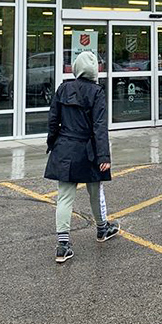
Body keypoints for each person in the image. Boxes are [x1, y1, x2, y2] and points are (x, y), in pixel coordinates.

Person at [44, 51, 120, 263]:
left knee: (64, 197)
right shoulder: (96, 92)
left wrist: (52, 144)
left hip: (65, 148)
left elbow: (53, 120)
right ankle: (102, 229)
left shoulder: (63, 88)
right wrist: (104, 155)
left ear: (76, 68)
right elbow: (99, 127)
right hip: (88, 150)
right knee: (95, 192)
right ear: (94, 70)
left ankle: (63, 245)